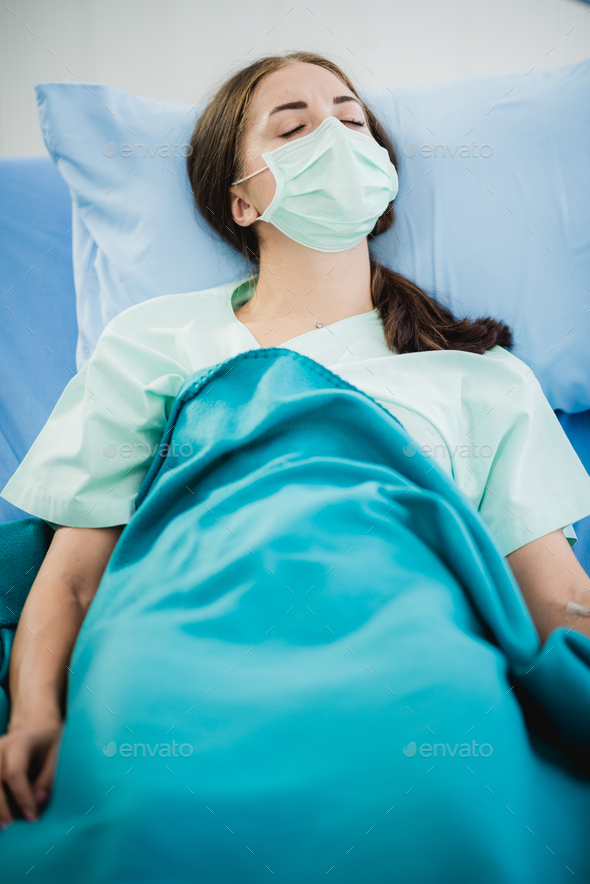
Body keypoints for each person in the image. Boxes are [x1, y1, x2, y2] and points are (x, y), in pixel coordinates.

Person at [1, 50, 590, 830]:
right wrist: (34, 711)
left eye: (352, 120)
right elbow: (76, 573)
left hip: (410, 646)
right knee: (150, 803)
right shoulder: (154, 339)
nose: (337, 139)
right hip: (173, 639)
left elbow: (557, 598)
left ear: (383, 172)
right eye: (295, 126)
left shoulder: (480, 377)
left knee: (438, 791)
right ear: (241, 201)